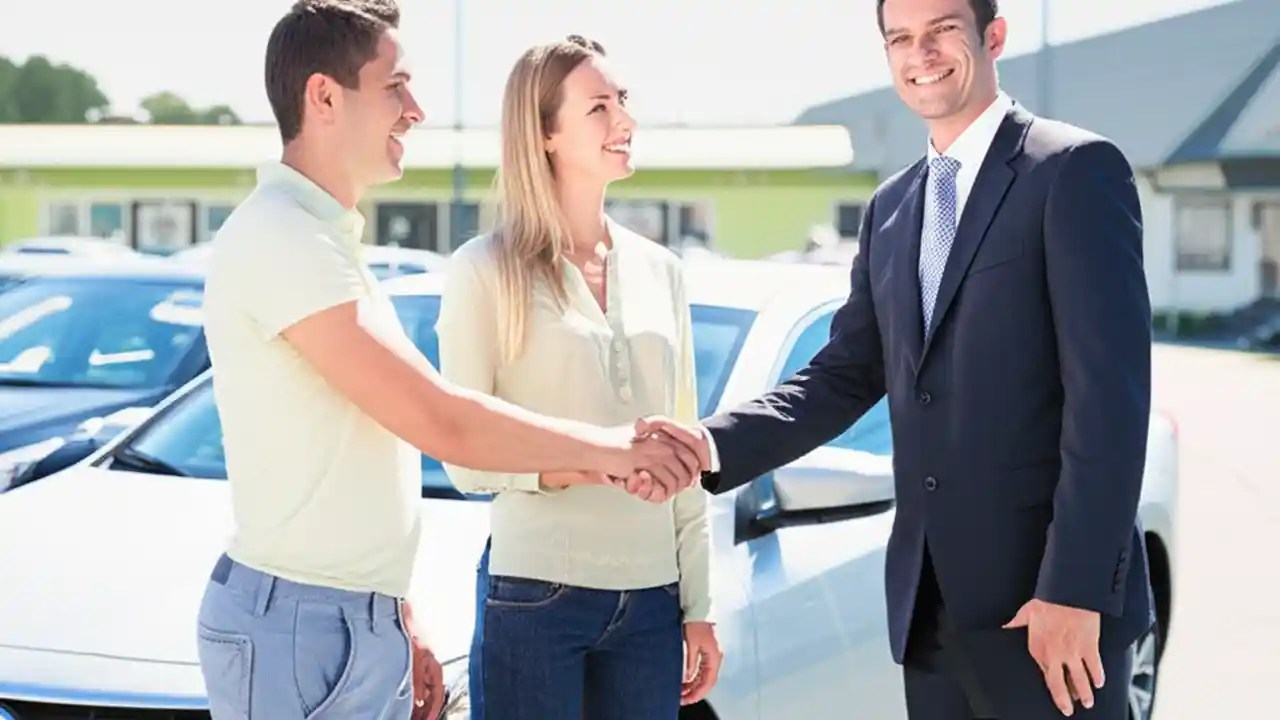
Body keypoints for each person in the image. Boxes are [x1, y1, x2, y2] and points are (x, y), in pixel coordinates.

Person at [648, 0, 1155, 717]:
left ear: (994, 36)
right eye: (901, 38)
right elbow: (846, 373)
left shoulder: (1072, 171)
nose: (922, 53)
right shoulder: (891, 208)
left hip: (1045, 613)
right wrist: (708, 442)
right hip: (931, 610)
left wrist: (1072, 589)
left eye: (944, 30)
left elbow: (1110, 402)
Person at [196, 4, 701, 719]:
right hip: (302, 623)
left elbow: (358, 452)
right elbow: (442, 422)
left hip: (345, 617)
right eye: (396, 86)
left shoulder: (322, 239)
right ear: (324, 97)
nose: (416, 110)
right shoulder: (283, 240)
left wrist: (391, 612)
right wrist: (618, 450)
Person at [436, 35, 723, 720]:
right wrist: (592, 463)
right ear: (544, 134)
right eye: (599, 107)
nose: (624, 121)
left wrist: (700, 606)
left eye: (623, 101)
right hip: (536, 596)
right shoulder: (484, 270)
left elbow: (685, 450)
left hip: (654, 601)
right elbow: (463, 459)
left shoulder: (663, 271)